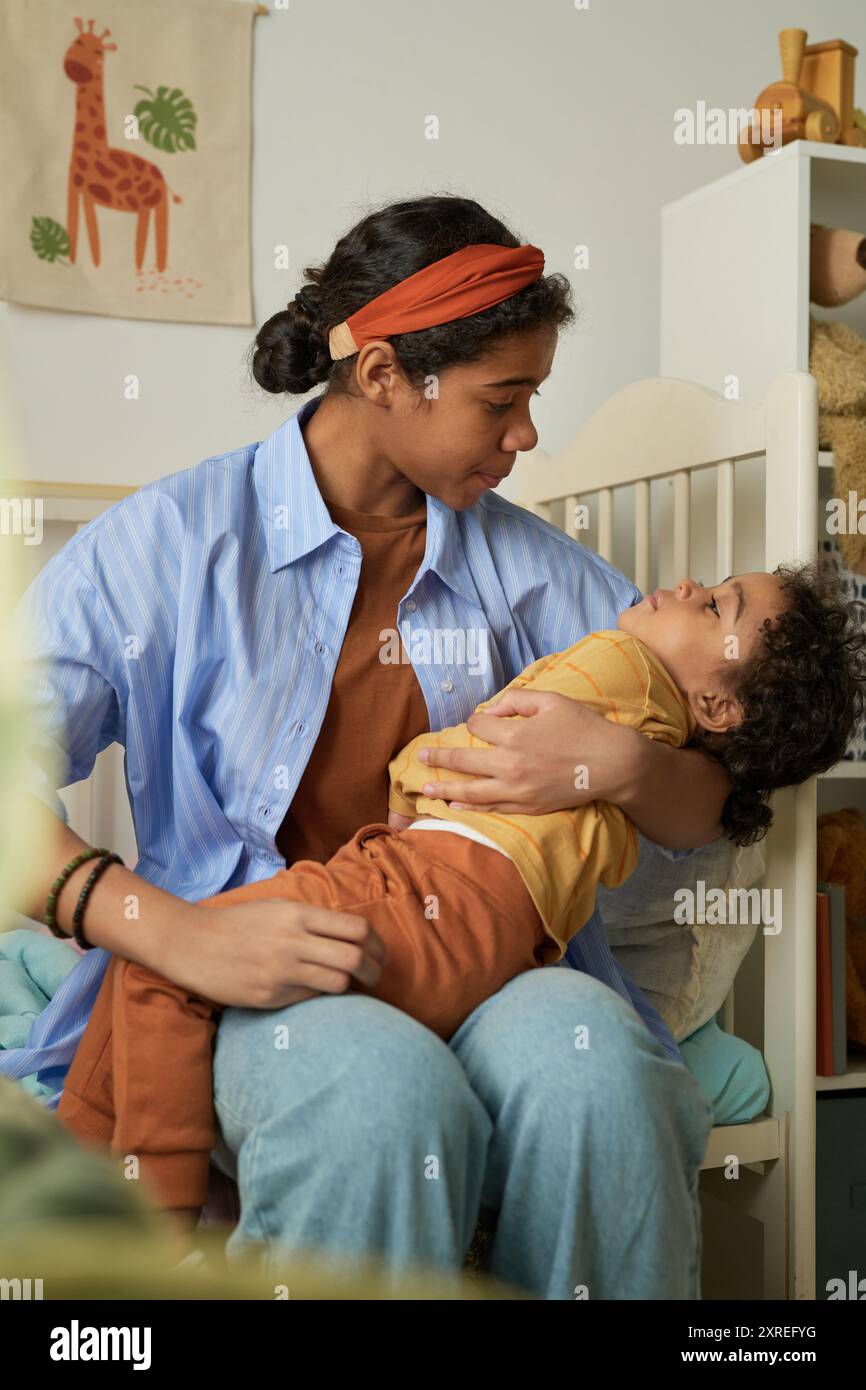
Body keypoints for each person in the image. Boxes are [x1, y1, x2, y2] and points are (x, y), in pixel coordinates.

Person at [7, 195, 733, 1299]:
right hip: (267, 970)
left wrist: (616, 764)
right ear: (384, 373)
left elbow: (715, 804)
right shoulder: (167, 546)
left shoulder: (540, 575)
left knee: (604, 1084)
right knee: (383, 1104)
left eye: (532, 398)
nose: (527, 435)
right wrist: (176, 934)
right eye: (504, 399)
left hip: (499, 962)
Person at [54, 564, 866, 1225]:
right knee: (161, 965)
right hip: (482, 931)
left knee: (157, 960)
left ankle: (140, 1232)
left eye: (718, 601)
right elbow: (713, 798)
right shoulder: (648, 700)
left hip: (431, 892)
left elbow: (484, 743)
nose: (688, 585)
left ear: (719, 706)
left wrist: (409, 788)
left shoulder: (621, 663)